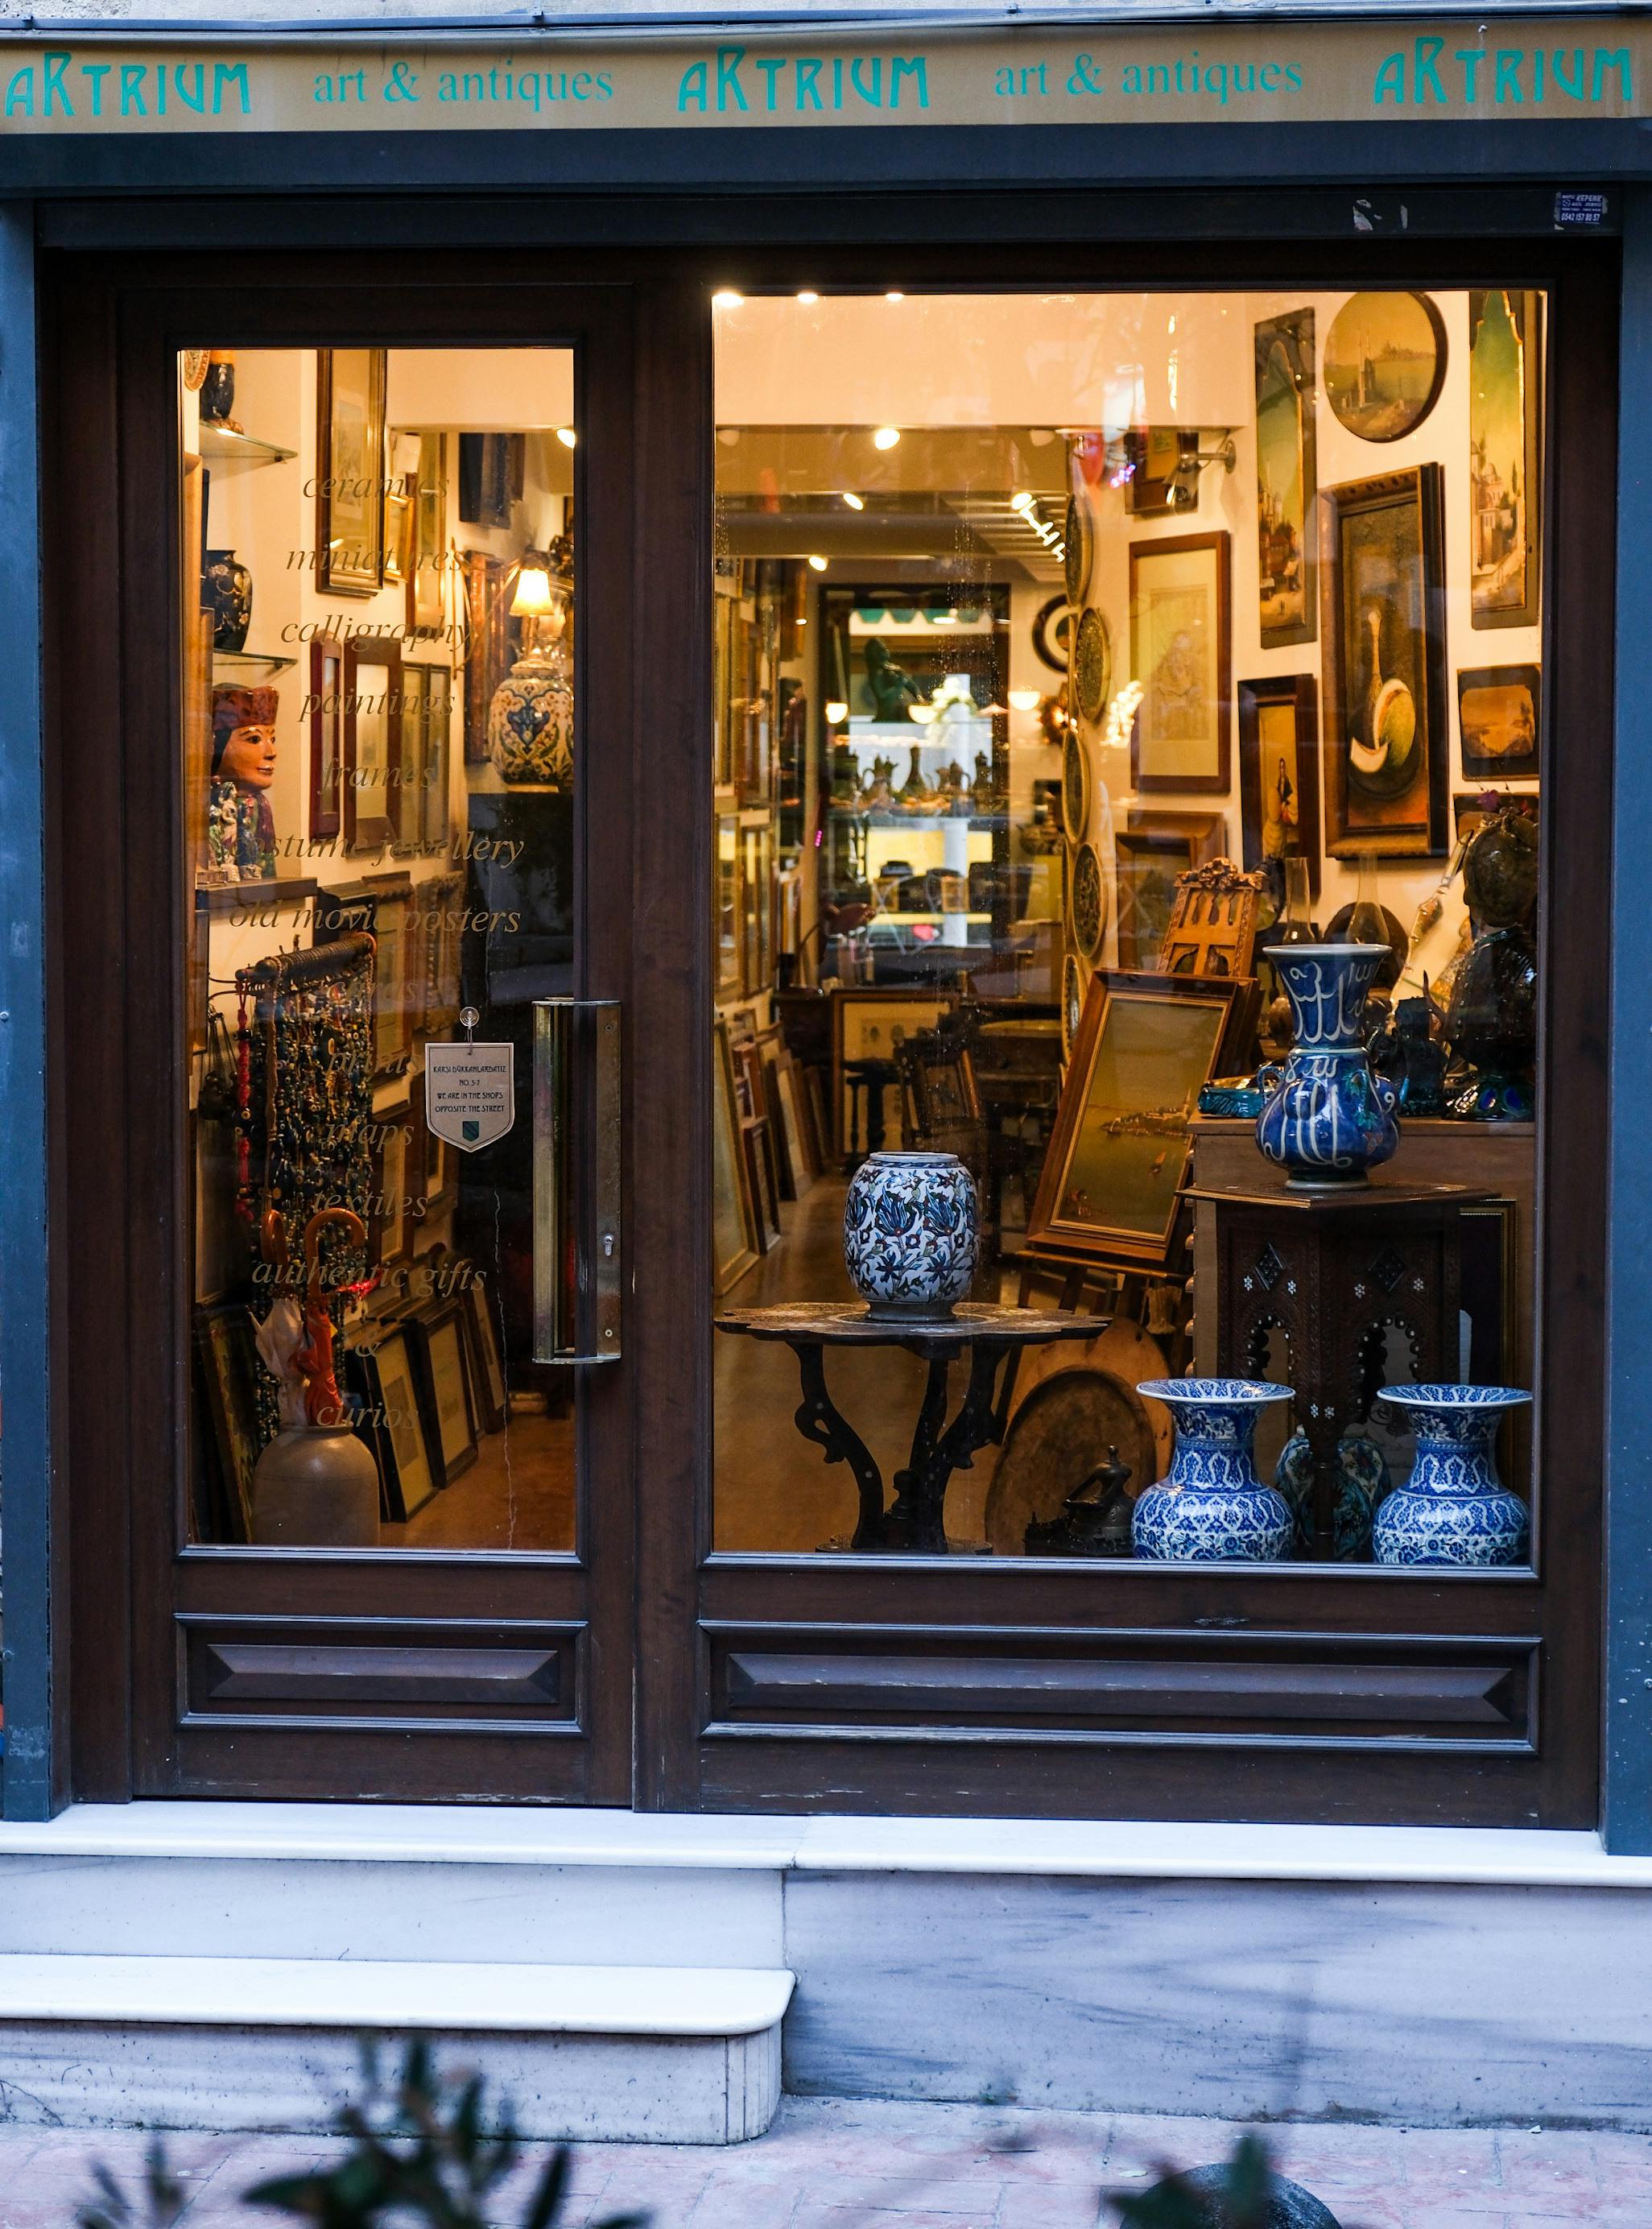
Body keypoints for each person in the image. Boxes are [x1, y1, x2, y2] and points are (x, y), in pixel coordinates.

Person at [209, 683, 279, 881]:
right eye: (255, 740)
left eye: (273, 739)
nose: (272, 753)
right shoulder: (212, 799)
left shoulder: (259, 805)